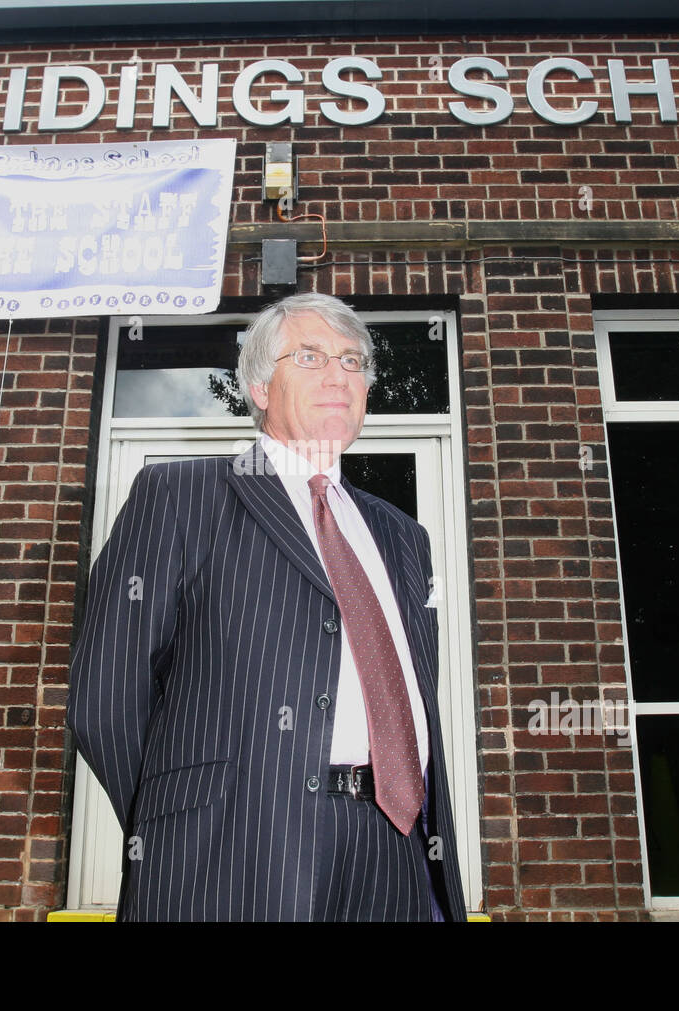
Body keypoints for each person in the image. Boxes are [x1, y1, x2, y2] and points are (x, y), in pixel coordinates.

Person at [67, 292, 466, 921]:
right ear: (258, 386)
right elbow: (104, 693)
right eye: (309, 357)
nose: (339, 374)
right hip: (232, 856)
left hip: (396, 853)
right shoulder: (180, 495)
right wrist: (182, 819)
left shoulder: (400, 536)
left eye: (353, 361)